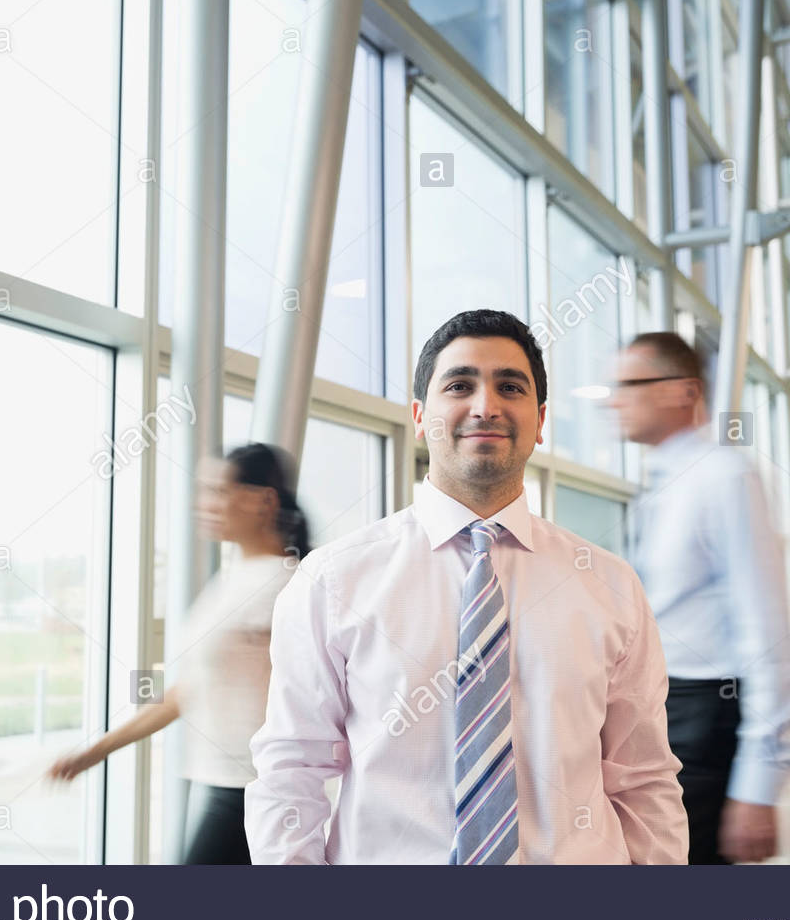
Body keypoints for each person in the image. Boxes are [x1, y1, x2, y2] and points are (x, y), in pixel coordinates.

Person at [245, 310, 689, 864]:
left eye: (510, 386)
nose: (486, 406)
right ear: (419, 416)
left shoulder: (610, 585)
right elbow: (292, 769)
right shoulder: (332, 582)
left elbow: (643, 778)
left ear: (540, 419)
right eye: (459, 385)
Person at [48, 442, 306, 864]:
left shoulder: (288, 585)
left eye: (219, 491)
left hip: (258, 790)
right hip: (224, 786)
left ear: (264, 500)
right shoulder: (233, 579)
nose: (203, 503)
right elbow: (187, 691)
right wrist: (96, 751)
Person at [610, 332, 790, 864]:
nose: (614, 398)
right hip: (661, 712)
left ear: (683, 390)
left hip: (705, 717)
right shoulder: (662, 483)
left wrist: (757, 788)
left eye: (630, 384)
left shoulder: (725, 477)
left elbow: (770, 632)